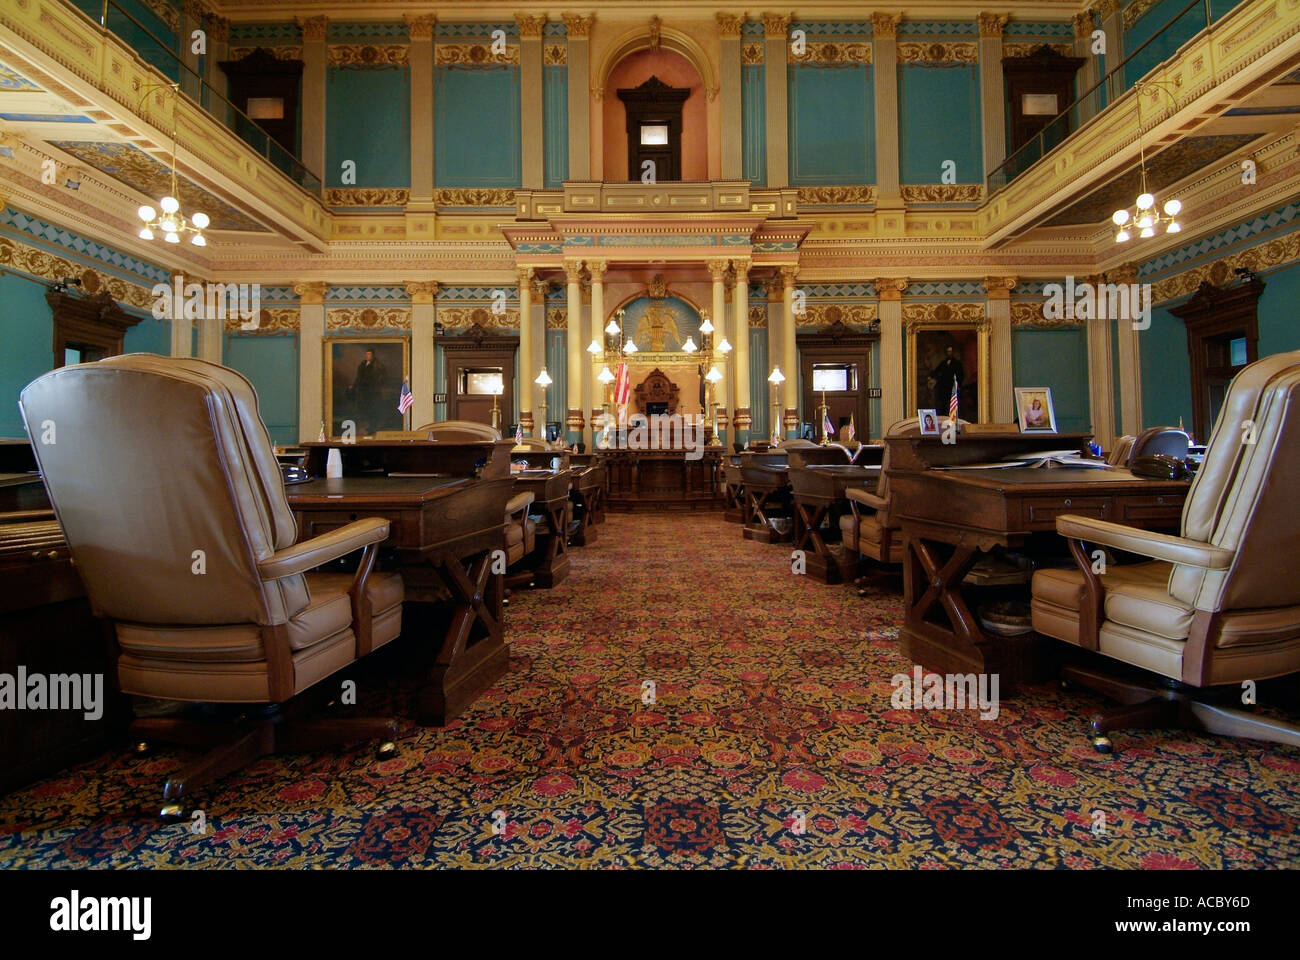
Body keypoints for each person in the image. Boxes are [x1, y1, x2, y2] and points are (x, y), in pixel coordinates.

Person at [352, 348, 387, 436]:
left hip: (373, 391)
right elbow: (359, 376)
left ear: (373, 355)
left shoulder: (377, 365)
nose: (367, 356)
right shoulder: (363, 364)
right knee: (366, 409)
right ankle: (370, 426)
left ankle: (373, 427)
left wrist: (376, 383)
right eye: (366, 354)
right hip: (364, 391)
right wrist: (354, 385)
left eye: (369, 354)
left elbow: (382, 376)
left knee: (373, 409)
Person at [930, 345, 964, 411]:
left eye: (950, 351)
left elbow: (961, 375)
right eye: (948, 351)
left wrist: (959, 385)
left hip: (952, 385)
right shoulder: (943, 363)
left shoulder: (957, 363)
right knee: (943, 402)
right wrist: (931, 376)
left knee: (952, 403)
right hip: (944, 386)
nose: (949, 353)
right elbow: (937, 371)